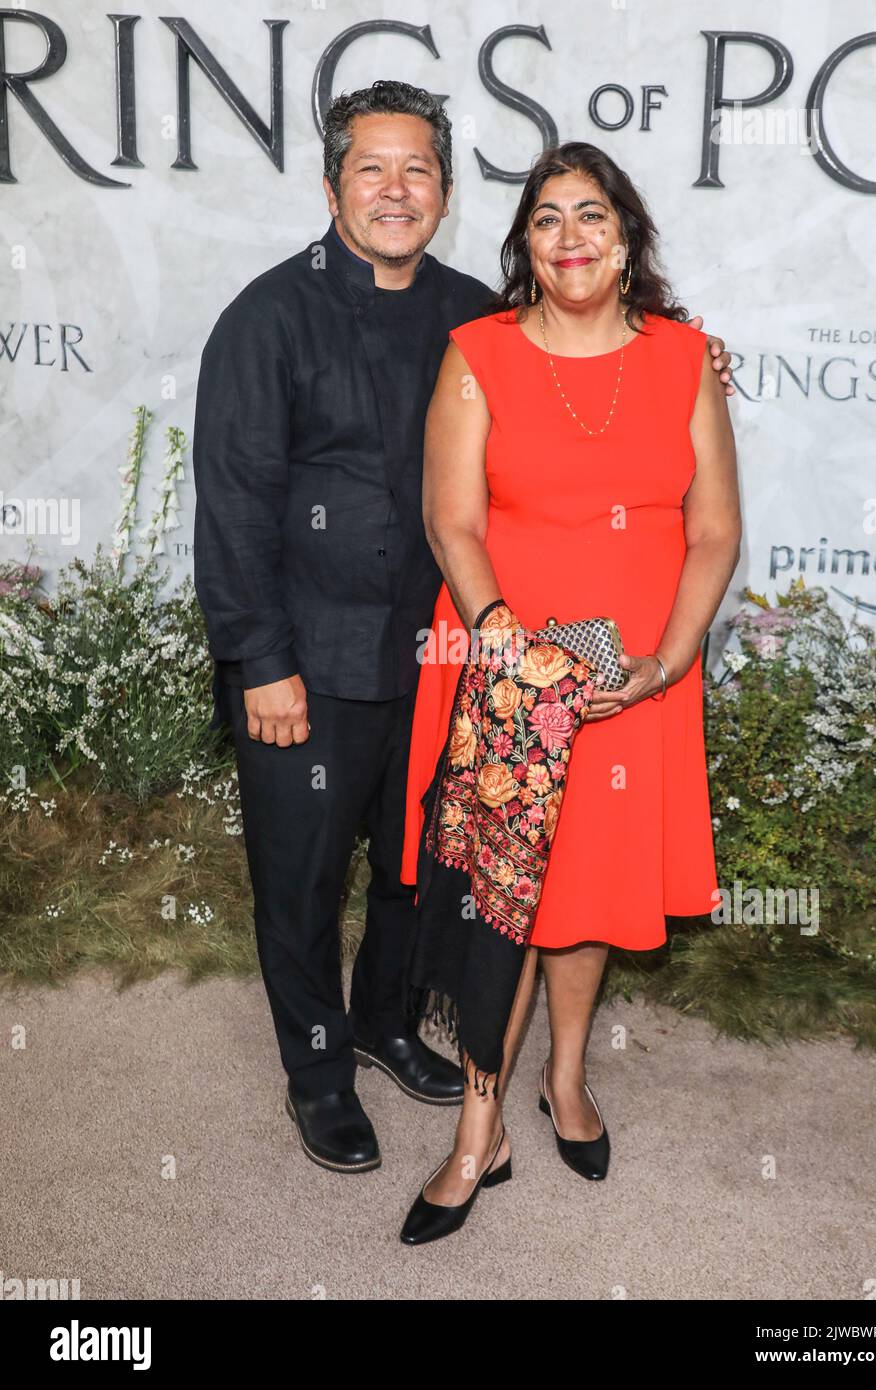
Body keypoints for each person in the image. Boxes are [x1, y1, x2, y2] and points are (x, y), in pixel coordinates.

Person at [192, 81, 736, 1177]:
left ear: (443, 189)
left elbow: (588, 358)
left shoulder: (468, 314)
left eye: (418, 171)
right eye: (371, 170)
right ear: (333, 181)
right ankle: (317, 1073)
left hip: (442, 662)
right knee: (299, 880)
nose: (396, 191)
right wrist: (260, 659)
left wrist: (696, 359)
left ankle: (387, 1022)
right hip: (311, 663)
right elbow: (234, 495)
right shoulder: (266, 317)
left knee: (415, 868)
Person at [398, 141, 741, 1242]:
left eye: (591, 215)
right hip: (503, 666)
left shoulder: (686, 358)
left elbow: (714, 528)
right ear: (525, 244)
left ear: (626, 235)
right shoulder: (477, 352)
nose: (570, 237)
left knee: (585, 883)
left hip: (637, 675)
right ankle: (478, 1126)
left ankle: (568, 1079)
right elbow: (450, 518)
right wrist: (506, 646)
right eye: (546, 219)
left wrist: (670, 658)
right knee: (498, 891)